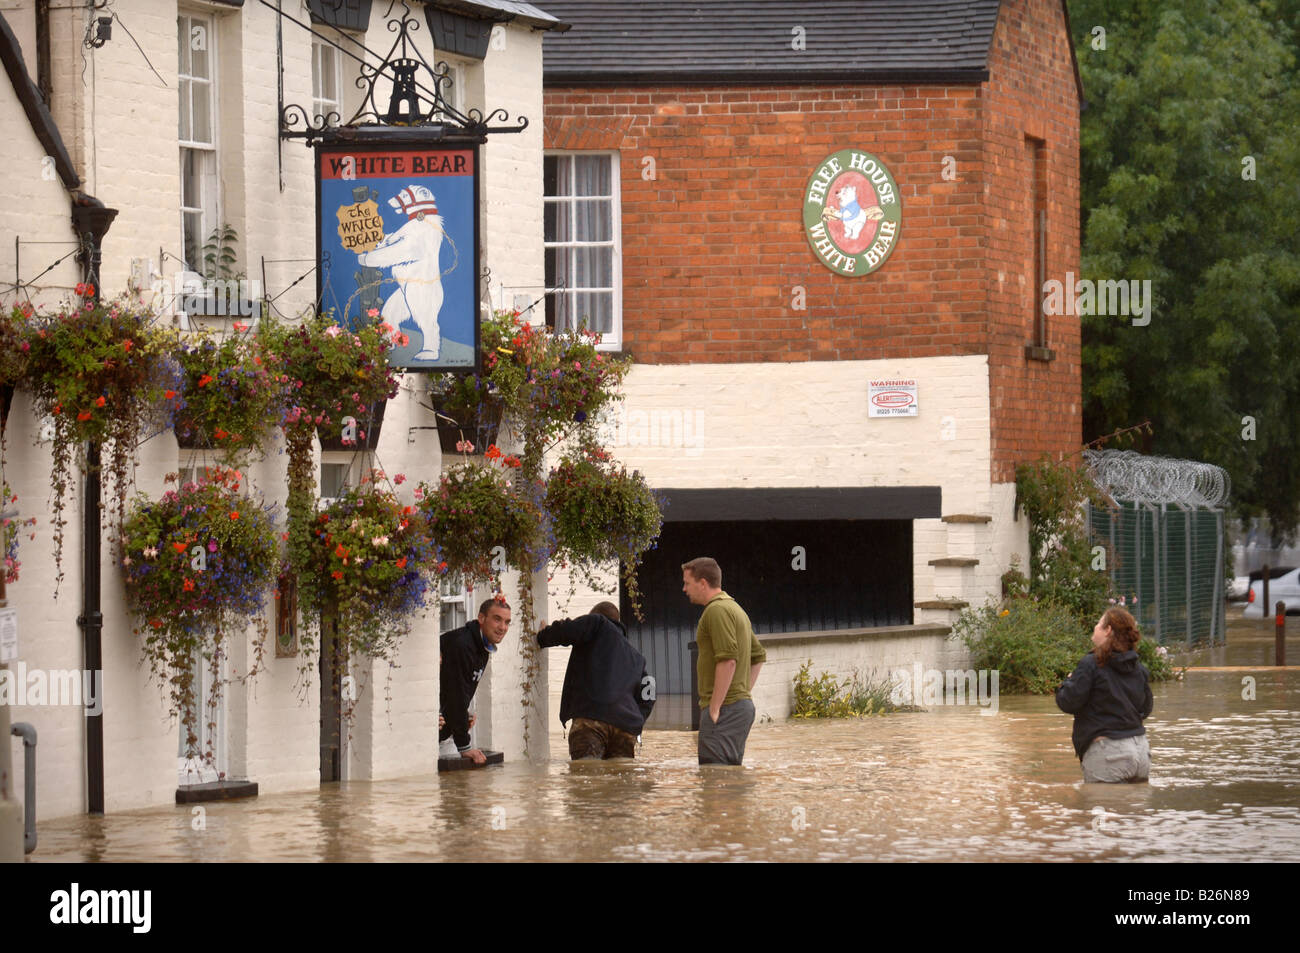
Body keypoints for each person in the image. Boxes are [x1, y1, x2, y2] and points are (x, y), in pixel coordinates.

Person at [536, 601, 656, 760]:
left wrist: (543, 636)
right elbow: (650, 689)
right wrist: (636, 718)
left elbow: (569, 629)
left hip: (591, 719)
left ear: (595, 614)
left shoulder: (598, 622)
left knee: (587, 776)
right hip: (626, 728)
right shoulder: (637, 657)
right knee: (621, 782)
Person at [682, 556, 766, 765]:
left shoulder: (716, 610)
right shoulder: (736, 609)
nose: (684, 589)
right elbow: (758, 656)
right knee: (727, 783)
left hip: (725, 709)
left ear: (703, 583)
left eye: (687, 583)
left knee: (713, 781)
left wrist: (714, 708)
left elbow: (728, 660)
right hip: (738, 708)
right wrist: (743, 692)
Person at [1055, 606, 1153, 782]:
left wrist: (1067, 683)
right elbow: (1145, 709)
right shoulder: (1138, 668)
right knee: (1135, 808)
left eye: (1098, 624)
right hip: (1141, 751)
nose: (1094, 627)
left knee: (1100, 807)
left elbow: (1068, 702)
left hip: (1109, 753)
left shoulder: (1091, 664)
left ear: (1108, 630)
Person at [439, 596, 511, 765]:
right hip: (427, 724)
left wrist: (464, 717)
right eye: (497, 619)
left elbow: (461, 691)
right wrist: (465, 746)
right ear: (481, 618)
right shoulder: (463, 645)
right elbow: (455, 695)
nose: (502, 627)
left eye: (507, 622)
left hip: (444, 727)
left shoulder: (481, 646)